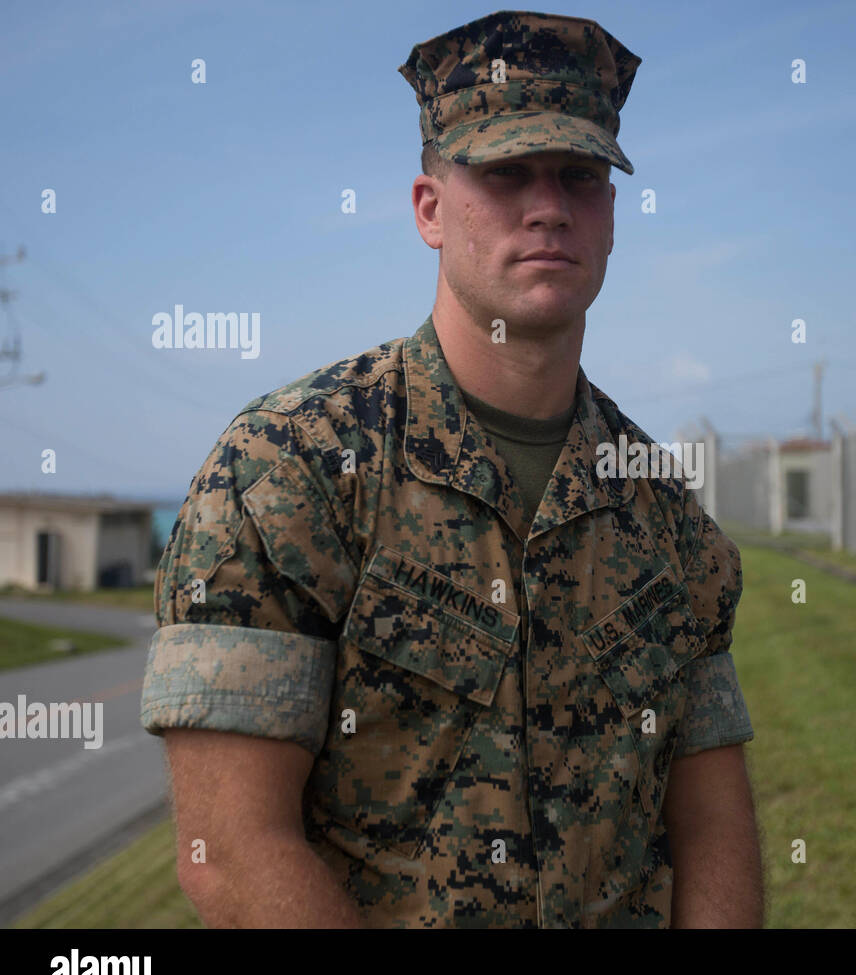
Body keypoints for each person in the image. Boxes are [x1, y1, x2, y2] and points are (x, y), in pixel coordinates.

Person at [140, 10, 762, 928]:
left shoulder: (662, 508)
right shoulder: (290, 469)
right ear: (430, 209)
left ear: (613, 215)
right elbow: (231, 856)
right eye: (506, 172)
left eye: (581, 177)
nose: (548, 205)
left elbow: (715, 834)